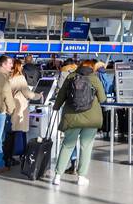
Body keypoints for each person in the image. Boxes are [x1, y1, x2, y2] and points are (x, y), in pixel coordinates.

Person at [50, 59, 106, 188]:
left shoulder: (70, 76)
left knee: (67, 145)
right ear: (92, 67)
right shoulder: (94, 78)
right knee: (86, 147)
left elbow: (61, 96)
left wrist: (56, 107)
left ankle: (57, 176)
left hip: (72, 117)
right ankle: (81, 177)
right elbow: (102, 99)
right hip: (91, 119)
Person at [7, 60, 41, 162]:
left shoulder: (9, 77)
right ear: (19, 67)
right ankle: (19, 153)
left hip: (11, 106)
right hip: (20, 107)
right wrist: (39, 95)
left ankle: (9, 154)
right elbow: (28, 94)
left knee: (12, 131)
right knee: (19, 131)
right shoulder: (20, 78)